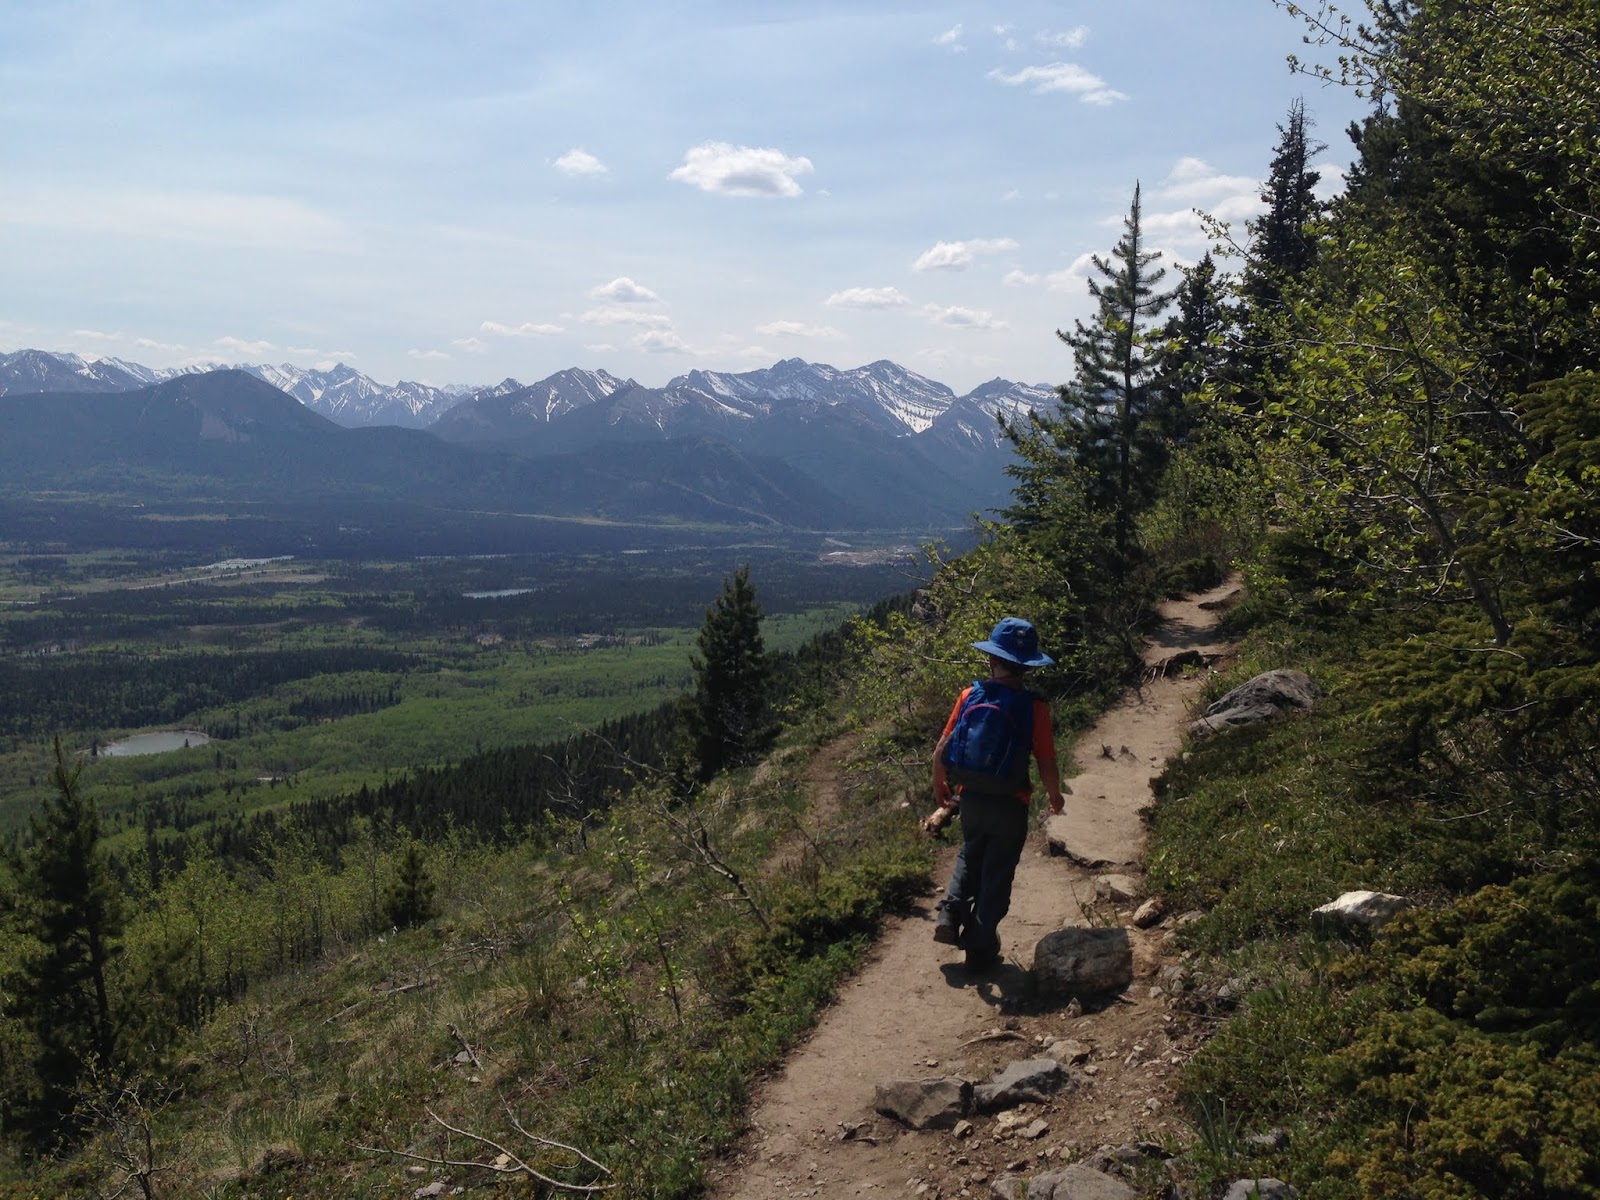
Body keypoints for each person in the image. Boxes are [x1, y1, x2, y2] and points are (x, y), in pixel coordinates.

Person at [932, 617, 1065, 971]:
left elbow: (941, 749)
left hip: (971, 796)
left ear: (992, 659)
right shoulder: (1034, 707)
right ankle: (979, 945)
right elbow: (1047, 762)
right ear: (1027, 667)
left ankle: (950, 912)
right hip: (1011, 802)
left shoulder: (969, 695)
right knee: (998, 872)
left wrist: (940, 786)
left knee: (969, 854)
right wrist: (1055, 797)